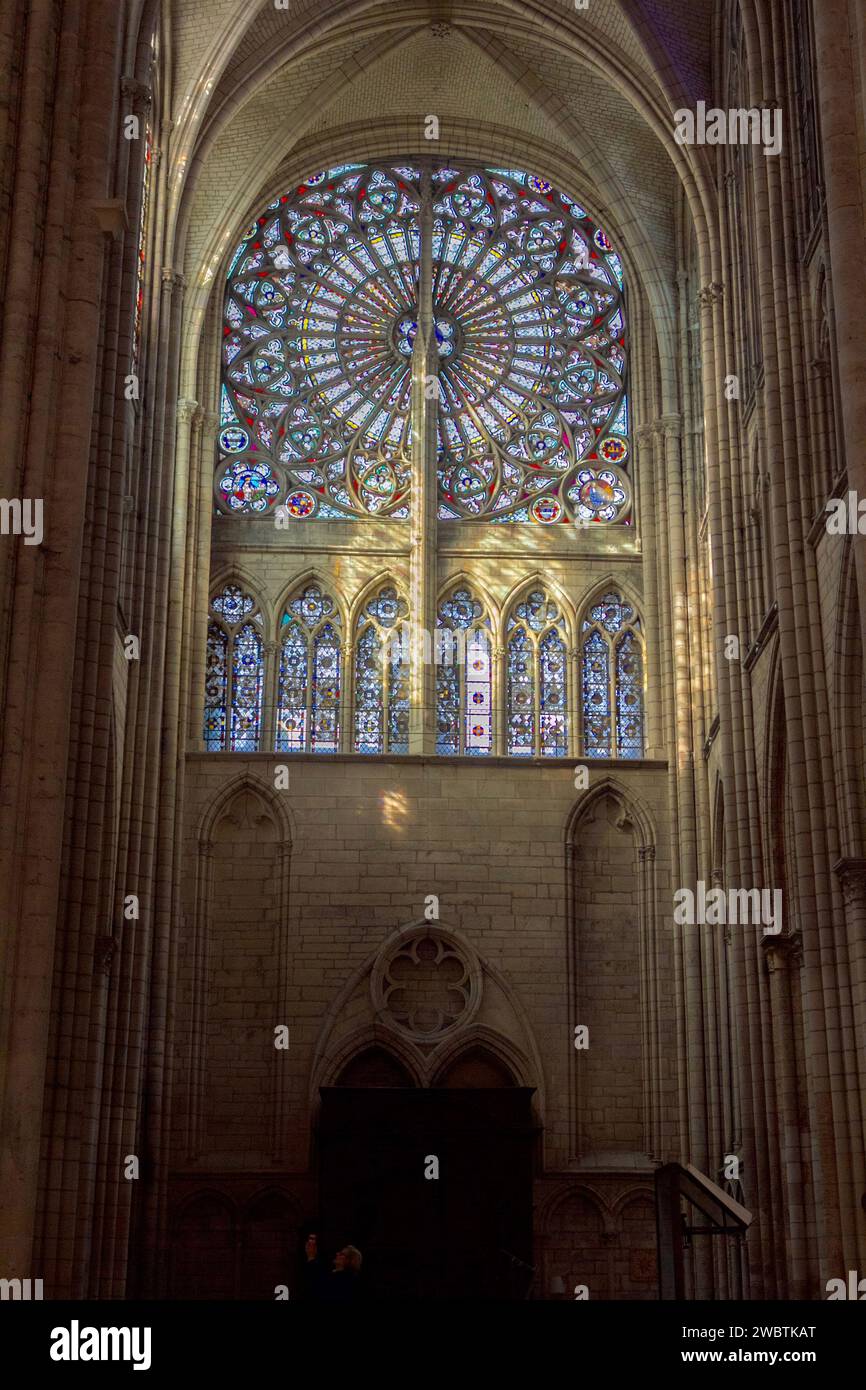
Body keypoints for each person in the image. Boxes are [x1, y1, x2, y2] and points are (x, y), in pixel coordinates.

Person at [297, 1227, 329, 1302]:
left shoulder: (323, 1259)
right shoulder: (299, 1257)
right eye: (310, 1239)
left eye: (314, 1239)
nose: (312, 1242)